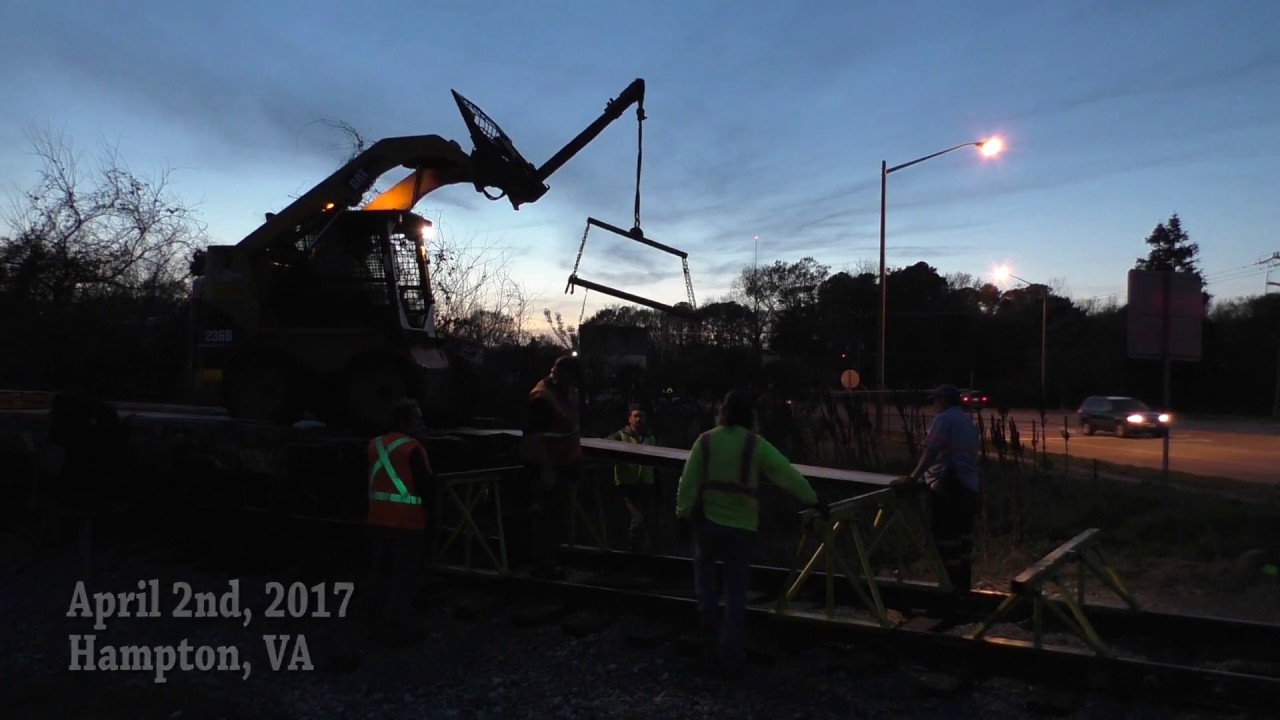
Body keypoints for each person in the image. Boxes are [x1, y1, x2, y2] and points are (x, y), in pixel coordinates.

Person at [676, 388, 823, 674]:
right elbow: (786, 474)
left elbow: (688, 481)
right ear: (750, 416)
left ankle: (707, 631)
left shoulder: (705, 441)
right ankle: (729, 655)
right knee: (735, 592)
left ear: (723, 412)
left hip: (707, 524)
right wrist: (814, 499)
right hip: (740, 529)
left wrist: (682, 515)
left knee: (704, 579)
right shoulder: (756, 446)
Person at [891, 383, 981, 609]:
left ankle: (951, 594)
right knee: (963, 543)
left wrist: (912, 478)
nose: (933, 405)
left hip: (949, 488)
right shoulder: (967, 423)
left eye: (935, 400)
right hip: (969, 488)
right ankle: (963, 591)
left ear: (941, 400)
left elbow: (931, 451)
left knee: (946, 540)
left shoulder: (944, 420)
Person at [365, 399, 434, 641]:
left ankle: (374, 618)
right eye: (417, 419)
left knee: (380, 571)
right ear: (404, 421)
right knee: (404, 574)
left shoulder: (375, 444)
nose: (422, 424)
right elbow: (426, 485)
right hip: (407, 521)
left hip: (377, 518)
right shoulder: (413, 448)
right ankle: (398, 625)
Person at [520, 355, 583, 579]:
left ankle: (548, 564)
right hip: (549, 469)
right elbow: (534, 436)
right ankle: (542, 567)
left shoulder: (563, 394)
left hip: (564, 466)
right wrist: (546, 469)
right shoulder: (542, 398)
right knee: (547, 520)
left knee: (558, 520)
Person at [608, 404, 658, 552]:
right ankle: (634, 550)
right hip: (627, 484)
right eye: (635, 416)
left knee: (649, 519)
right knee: (637, 519)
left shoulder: (650, 438)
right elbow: (605, 446)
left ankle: (646, 549)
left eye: (641, 416)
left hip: (646, 483)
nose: (638, 419)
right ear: (629, 418)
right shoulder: (620, 436)